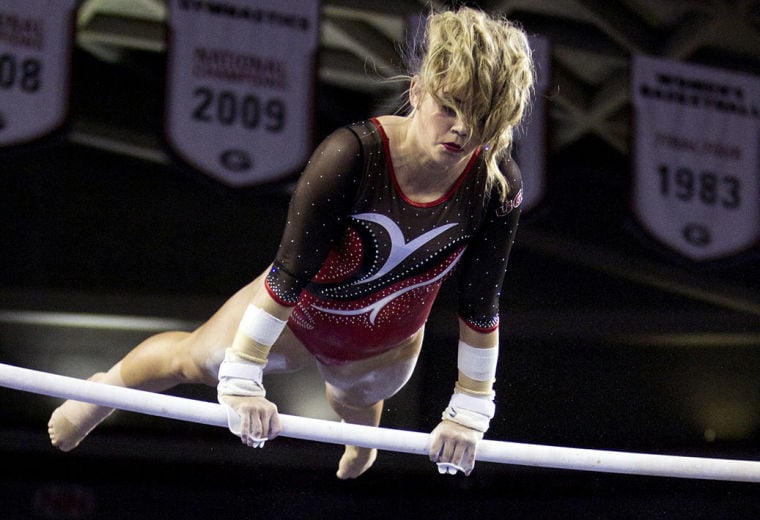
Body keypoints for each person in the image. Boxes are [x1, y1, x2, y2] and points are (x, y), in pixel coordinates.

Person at [47, 6, 535, 479]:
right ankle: (103, 391)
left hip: (385, 343)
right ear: (417, 91)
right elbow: (291, 270)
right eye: (449, 107)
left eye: (482, 117)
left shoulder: (495, 184)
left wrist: (469, 411)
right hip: (296, 310)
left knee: (354, 400)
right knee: (192, 360)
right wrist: (243, 374)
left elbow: (480, 304)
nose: (463, 129)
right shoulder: (354, 154)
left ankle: (361, 439)